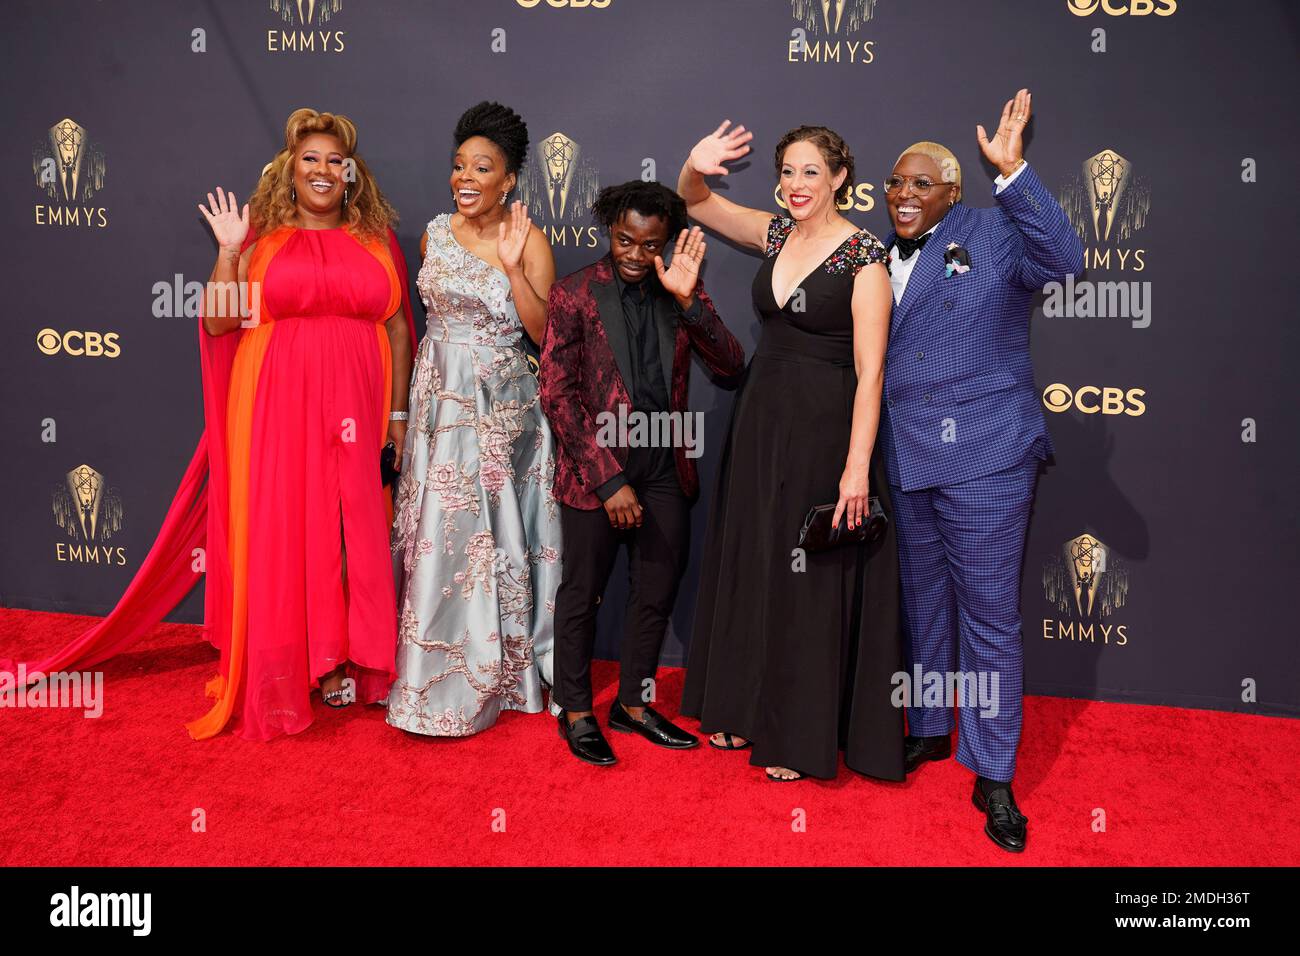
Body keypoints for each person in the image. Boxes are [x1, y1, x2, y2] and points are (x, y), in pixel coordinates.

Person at [1, 108, 415, 740]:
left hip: (358, 401)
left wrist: (397, 414)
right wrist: (226, 252)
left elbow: (395, 326)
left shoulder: (374, 238)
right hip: (279, 402)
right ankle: (298, 666)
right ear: (289, 168)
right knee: (287, 525)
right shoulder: (262, 239)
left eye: (336, 160)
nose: (324, 170)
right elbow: (221, 322)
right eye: (311, 159)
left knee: (350, 526)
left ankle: (348, 664)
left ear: (352, 174)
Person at [879, 90, 1084, 851]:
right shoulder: (877, 253)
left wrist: (1015, 172)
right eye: (895, 183)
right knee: (924, 606)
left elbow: (1068, 261)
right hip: (907, 457)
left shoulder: (995, 232)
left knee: (989, 617)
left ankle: (994, 770)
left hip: (988, 456)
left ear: (954, 190)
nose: (903, 194)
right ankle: (931, 727)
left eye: (920, 183)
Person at [677, 122, 904, 783]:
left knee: (806, 577)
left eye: (810, 172)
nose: (795, 184)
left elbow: (872, 371)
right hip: (759, 420)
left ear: (839, 178)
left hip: (824, 427)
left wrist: (856, 467)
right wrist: (696, 161)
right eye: (786, 172)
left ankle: (796, 734)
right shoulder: (775, 234)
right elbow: (694, 200)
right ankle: (743, 707)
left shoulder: (864, 257)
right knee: (757, 559)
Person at [540, 181, 744, 766]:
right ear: (610, 229)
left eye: (648, 244)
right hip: (596, 471)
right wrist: (608, 482)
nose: (633, 253)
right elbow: (557, 394)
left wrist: (689, 301)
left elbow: (730, 364)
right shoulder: (574, 293)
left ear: (666, 243)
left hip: (664, 467)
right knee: (582, 595)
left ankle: (633, 703)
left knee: (654, 591)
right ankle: (576, 712)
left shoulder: (675, 289)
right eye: (624, 239)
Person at [386, 102, 561, 737]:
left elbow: (543, 334)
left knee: (485, 542)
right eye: (459, 165)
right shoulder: (434, 233)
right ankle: (426, 678)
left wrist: (513, 268)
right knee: (436, 533)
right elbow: (422, 323)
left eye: (481, 168)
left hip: (498, 405)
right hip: (440, 397)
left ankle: (494, 676)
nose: (465, 178)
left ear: (508, 179)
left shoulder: (529, 239)